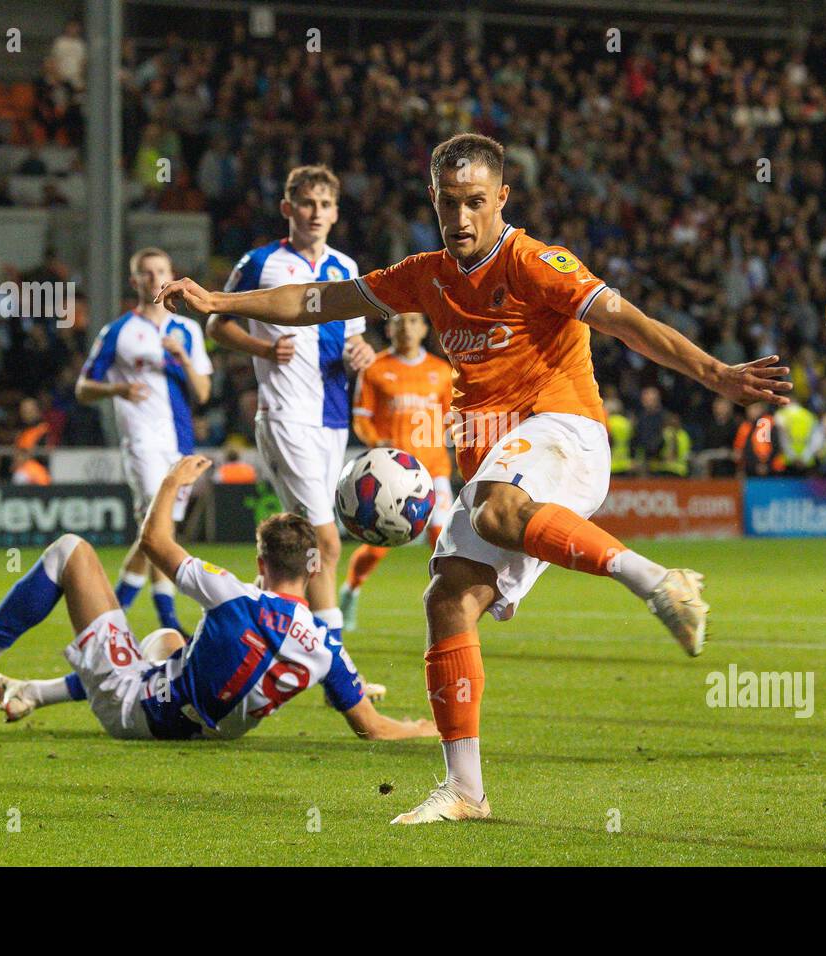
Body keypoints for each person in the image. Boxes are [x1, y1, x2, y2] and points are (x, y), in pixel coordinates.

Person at [160, 133, 791, 823]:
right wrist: (223, 304)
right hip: (497, 457)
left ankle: (659, 583)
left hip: (564, 432)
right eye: (448, 204)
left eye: (476, 203)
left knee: (493, 512)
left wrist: (714, 373)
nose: (461, 219)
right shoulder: (426, 273)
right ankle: (465, 790)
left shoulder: (534, 263)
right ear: (434, 199)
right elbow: (317, 300)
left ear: (502, 200)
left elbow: (623, 321)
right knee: (447, 597)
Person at [0, 456, 434, 743]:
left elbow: (154, 543)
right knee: (165, 639)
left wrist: (170, 483)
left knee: (69, 551)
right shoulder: (327, 651)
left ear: (261, 564)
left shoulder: (232, 596)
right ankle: (33, 694)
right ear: (314, 567)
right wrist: (423, 727)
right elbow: (373, 729)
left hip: (137, 712)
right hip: (212, 732)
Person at [209, 164, 375, 653]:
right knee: (327, 544)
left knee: (301, 548)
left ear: (336, 212)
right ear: (287, 209)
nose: (316, 212)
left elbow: (354, 338)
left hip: (333, 419)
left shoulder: (346, 269)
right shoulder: (261, 262)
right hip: (285, 416)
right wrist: (261, 350)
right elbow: (217, 325)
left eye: (325, 205)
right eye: (306, 203)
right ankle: (335, 665)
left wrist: (361, 353)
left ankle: (247, 639)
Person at [75, 247, 211, 636]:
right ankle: (165, 618)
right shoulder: (118, 331)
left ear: (171, 276)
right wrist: (117, 387)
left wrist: (183, 358)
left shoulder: (188, 331)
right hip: (141, 441)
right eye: (146, 273)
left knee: (155, 535)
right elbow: (83, 388)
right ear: (134, 281)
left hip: (179, 443)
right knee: (159, 528)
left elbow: (202, 392)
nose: (154, 279)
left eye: (161, 271)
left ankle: (112, 613)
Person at [339, 312, 454, 631]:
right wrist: (378, 441)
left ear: (425, 329)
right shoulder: (374, 367)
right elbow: (361, 418)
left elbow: (450, 420)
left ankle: (449, 605)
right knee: (378, 545)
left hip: (433, 469)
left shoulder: (442, 371)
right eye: (400, 321)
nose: (407, 327)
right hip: (393, 473)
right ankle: (351, 589)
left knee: (443, 539)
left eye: (415, 321)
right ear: (389, 328)